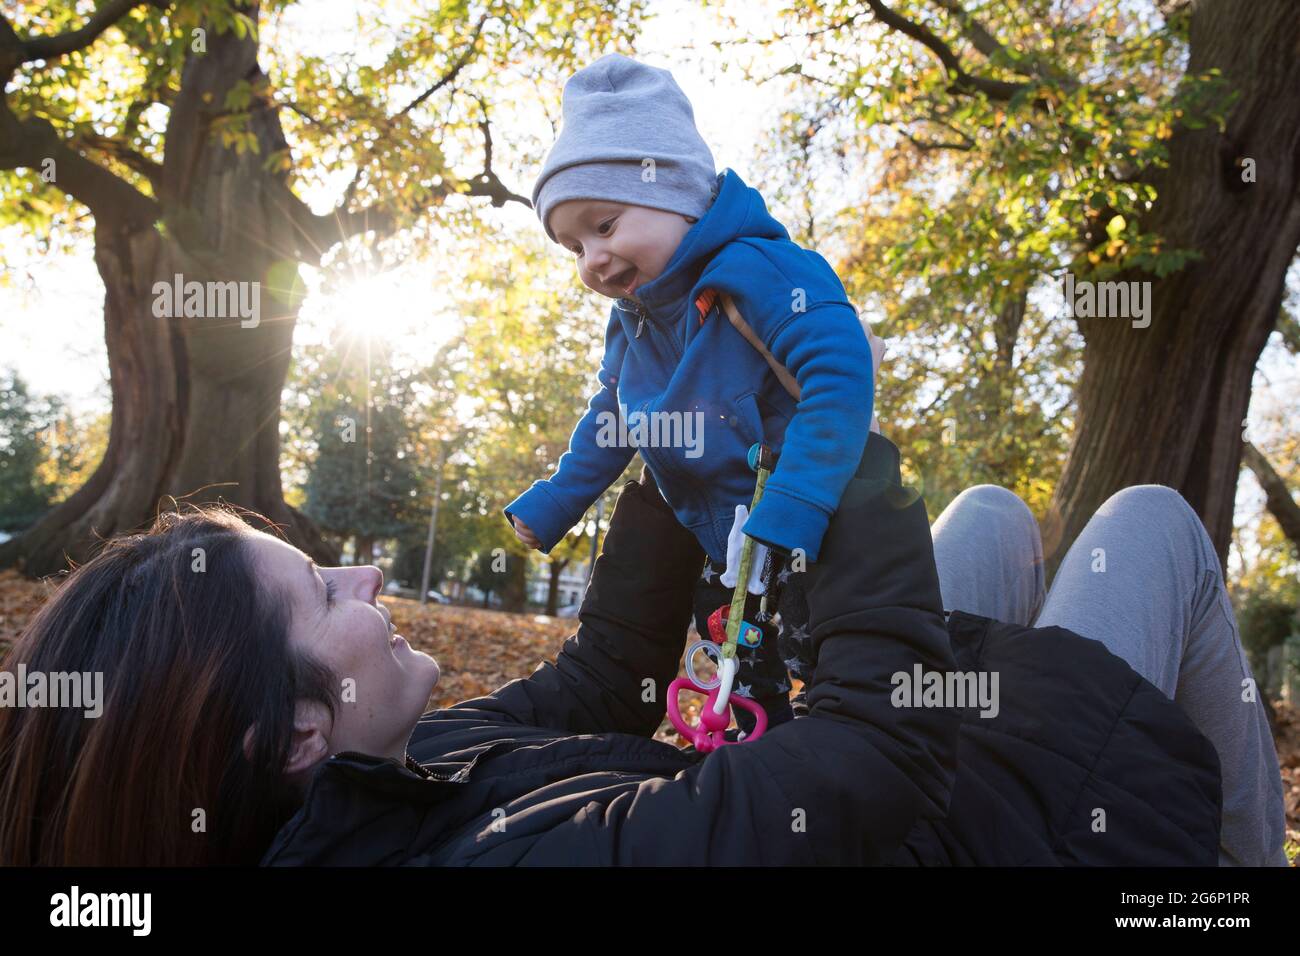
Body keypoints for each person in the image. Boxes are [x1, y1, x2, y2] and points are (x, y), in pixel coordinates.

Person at [5, 430, 1273, 865]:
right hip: (955, 822)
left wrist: (669, 443)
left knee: (990, 520)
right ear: (291, 732)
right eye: (323, 589)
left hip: (904, 793)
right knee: (1152, 526)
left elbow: (600, 677)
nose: (368, 572)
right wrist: (829, 431)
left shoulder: (394, 772)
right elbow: (878, 748)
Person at [503, 52, 877, 737]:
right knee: (731, 656)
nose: (592, 259)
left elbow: (842, 369)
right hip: (718, 541)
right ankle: (746, 752)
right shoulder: (636, 320)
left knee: (835, 661)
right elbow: (611, 416)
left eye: (605, 225)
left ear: (673, 191)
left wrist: (798, 500)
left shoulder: (758, 270)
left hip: (810, 526)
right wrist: (558, 497)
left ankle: (854, 759)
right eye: (572, 246)